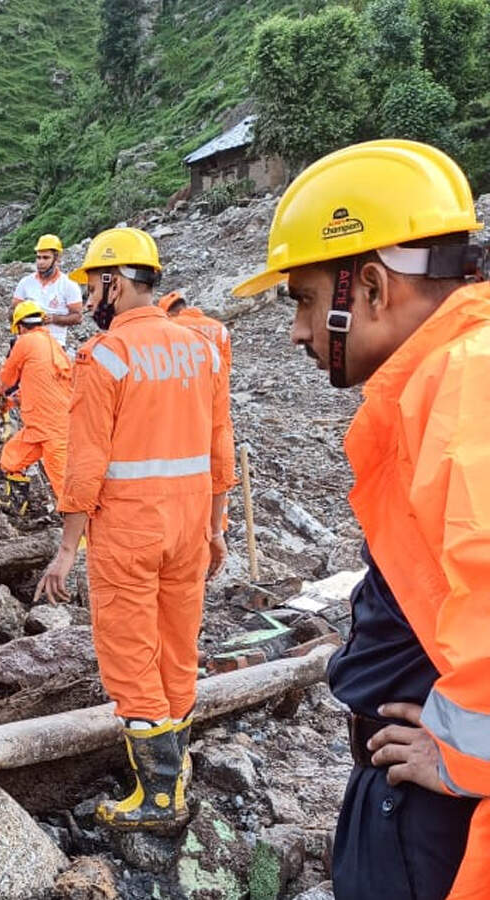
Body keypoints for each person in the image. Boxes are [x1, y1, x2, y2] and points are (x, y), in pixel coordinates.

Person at [233, 139, 490, 900]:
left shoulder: (463, 388)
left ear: (371, 285)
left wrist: (465, 752)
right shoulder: (446, 380)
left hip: (444, 818)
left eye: (307, 301)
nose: (298, 332)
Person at [37, 226, 234, 834]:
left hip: (128, 529)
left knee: (129, 655)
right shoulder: (202, 348)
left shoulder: (105, 358)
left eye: (93, 285)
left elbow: (86, 463)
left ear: (113, 283)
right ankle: (178, 769)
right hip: (189, 521)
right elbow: (220, 444)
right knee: (179, 645)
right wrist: (217, 526)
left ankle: (157, 797)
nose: (89, 299)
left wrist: (66, 550)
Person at [0, 301, 72, 517]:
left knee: (62, 484)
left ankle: (82, 537)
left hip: (54, 428)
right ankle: (17, 508)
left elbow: (7, 377)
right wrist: (12, 401)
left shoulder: (25, 342)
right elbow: (38, 385)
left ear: (19, 326)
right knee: (12, 457)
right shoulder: (49, 343)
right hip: (40, 426)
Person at [10, 234, 84, 349]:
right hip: (26, 343)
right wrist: (25, 315)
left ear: (57, 258)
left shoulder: (69, 285)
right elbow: (12, 311)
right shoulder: (25, 283)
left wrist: (54, 319)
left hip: (54, 345)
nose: (40, 262)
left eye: (45, 258)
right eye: (38, 257)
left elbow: (78, 317)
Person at [159, 291, 232, 374]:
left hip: (185, 382)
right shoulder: (220, 327)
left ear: (169, 314)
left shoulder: (170, 327)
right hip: (214, 381)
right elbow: (226, 365)